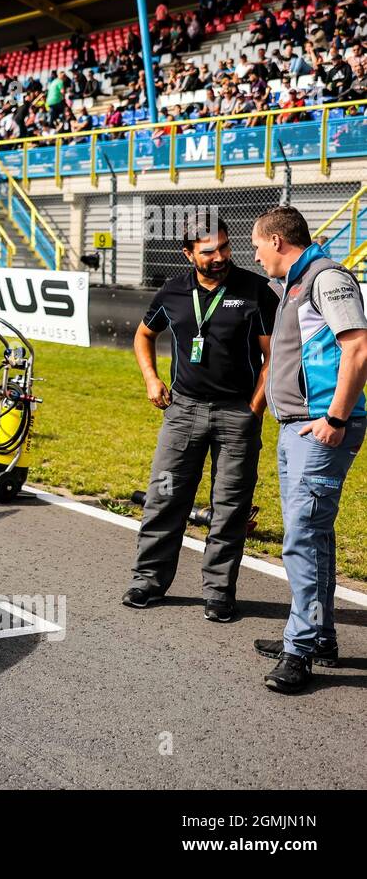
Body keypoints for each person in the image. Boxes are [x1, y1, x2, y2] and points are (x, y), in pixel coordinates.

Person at [123, 217, 277, 622]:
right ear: (188, 254)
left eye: (224, 247)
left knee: (230, 508)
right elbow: (143, 335)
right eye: (208, 251)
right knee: (164, 497)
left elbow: (272, 357)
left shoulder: (256, 291)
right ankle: (148, 581)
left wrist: (254, 409)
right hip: (182, 412)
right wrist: (151, 379)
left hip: (236, 416)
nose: (220, 257)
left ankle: (219, 592)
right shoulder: (172, 291)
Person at [251, 206, 367, 693]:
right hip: (297, 429)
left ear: (277, 241)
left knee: (302, 538)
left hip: (321, 432)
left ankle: (299, 649)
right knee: (312, 535)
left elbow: (359, 346)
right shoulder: (295, 283)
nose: (256, 257)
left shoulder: (327, 278)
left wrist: (336, 419)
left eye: (258, 247)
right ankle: (319, 636)